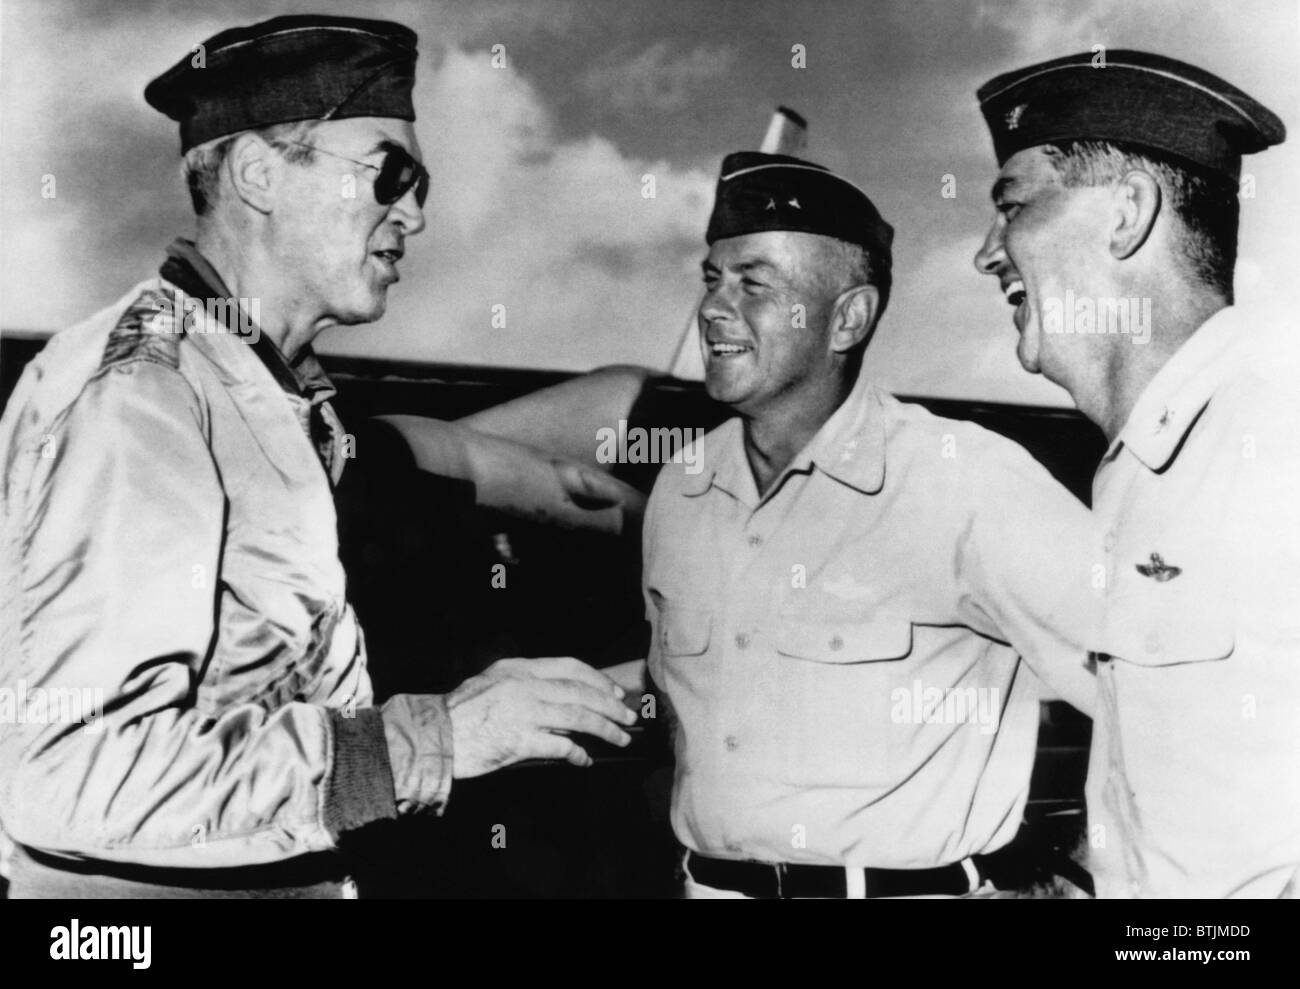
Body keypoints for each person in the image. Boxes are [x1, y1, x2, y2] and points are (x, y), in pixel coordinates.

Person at [0, 13, 634, 899]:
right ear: (260, 173)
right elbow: (71, 777)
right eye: (388, 173)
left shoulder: (270, 399)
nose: (414, 212)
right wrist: (436, 736)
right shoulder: (143, 395)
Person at [636, 151, 1099, 898]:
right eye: (712, 279)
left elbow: (1161, 687)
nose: (716, 308)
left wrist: (1087, 873)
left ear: (847, 317)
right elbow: (680, 700)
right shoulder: (681, 489)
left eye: (755, 283)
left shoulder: (966, 480)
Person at [974, 49, 1299, 897]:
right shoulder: (1141, 471)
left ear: (1126, 212)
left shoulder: (1276, 437)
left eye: (1012, 206)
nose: (986, 254)